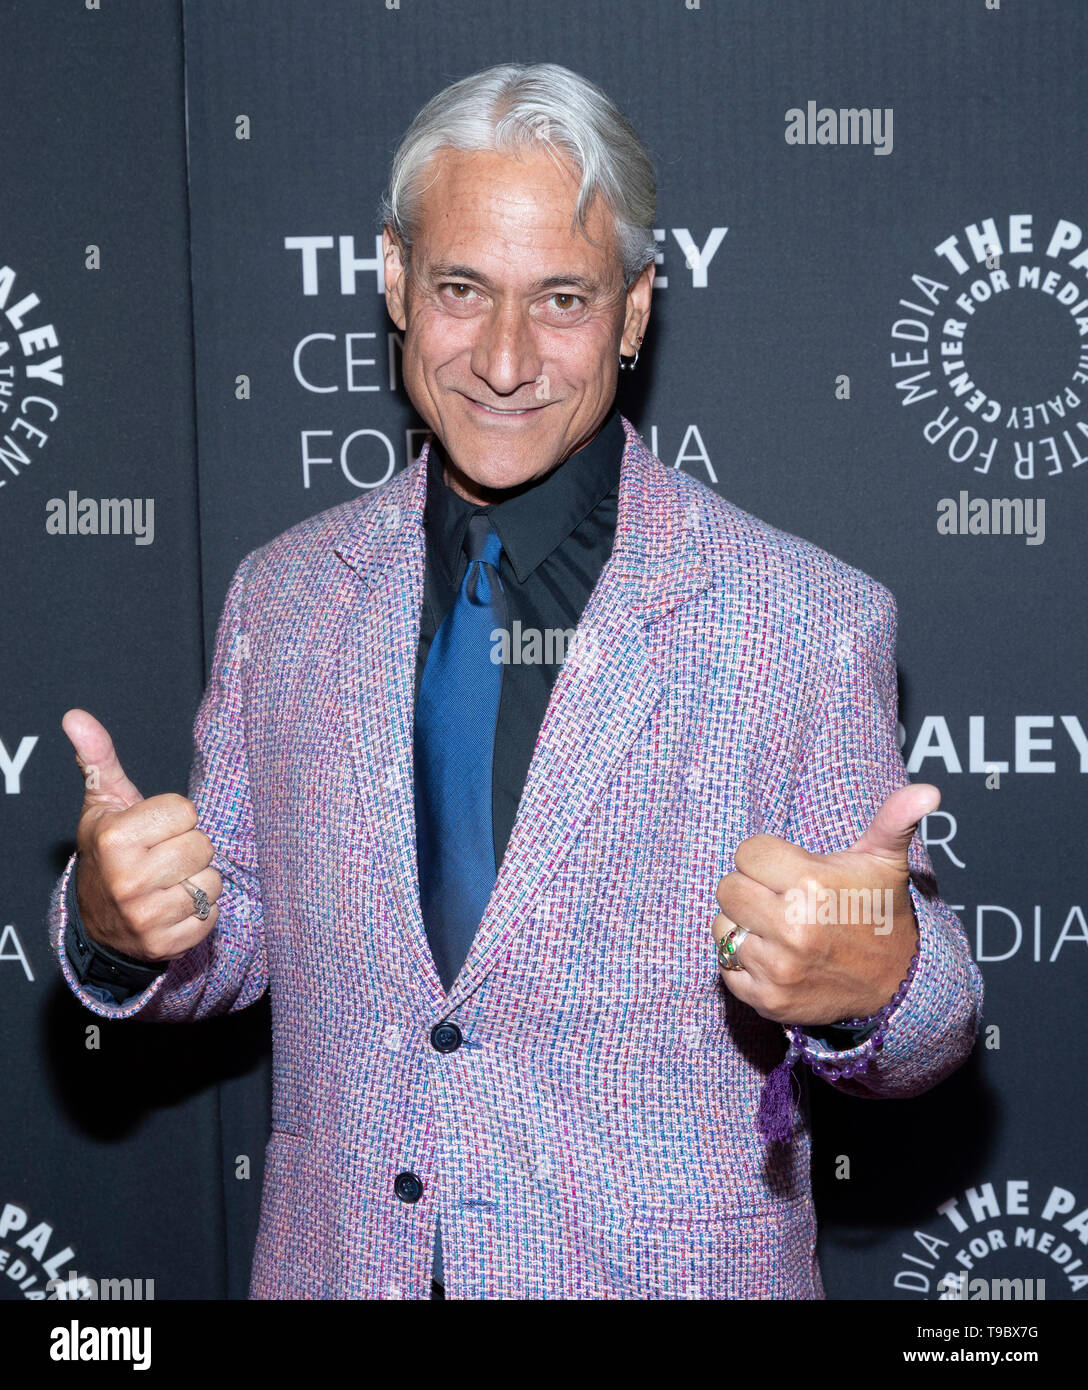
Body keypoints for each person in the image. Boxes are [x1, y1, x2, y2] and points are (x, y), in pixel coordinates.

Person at [49, 62, 982, 1300]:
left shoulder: (801, 619)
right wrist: (118, 935)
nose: (501, 357)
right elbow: (232, 933)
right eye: (458, 289)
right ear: (392, 280)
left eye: (560, 298)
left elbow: (924, 1009)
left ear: (636, 309)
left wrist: (877, 983)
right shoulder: (282, 597)